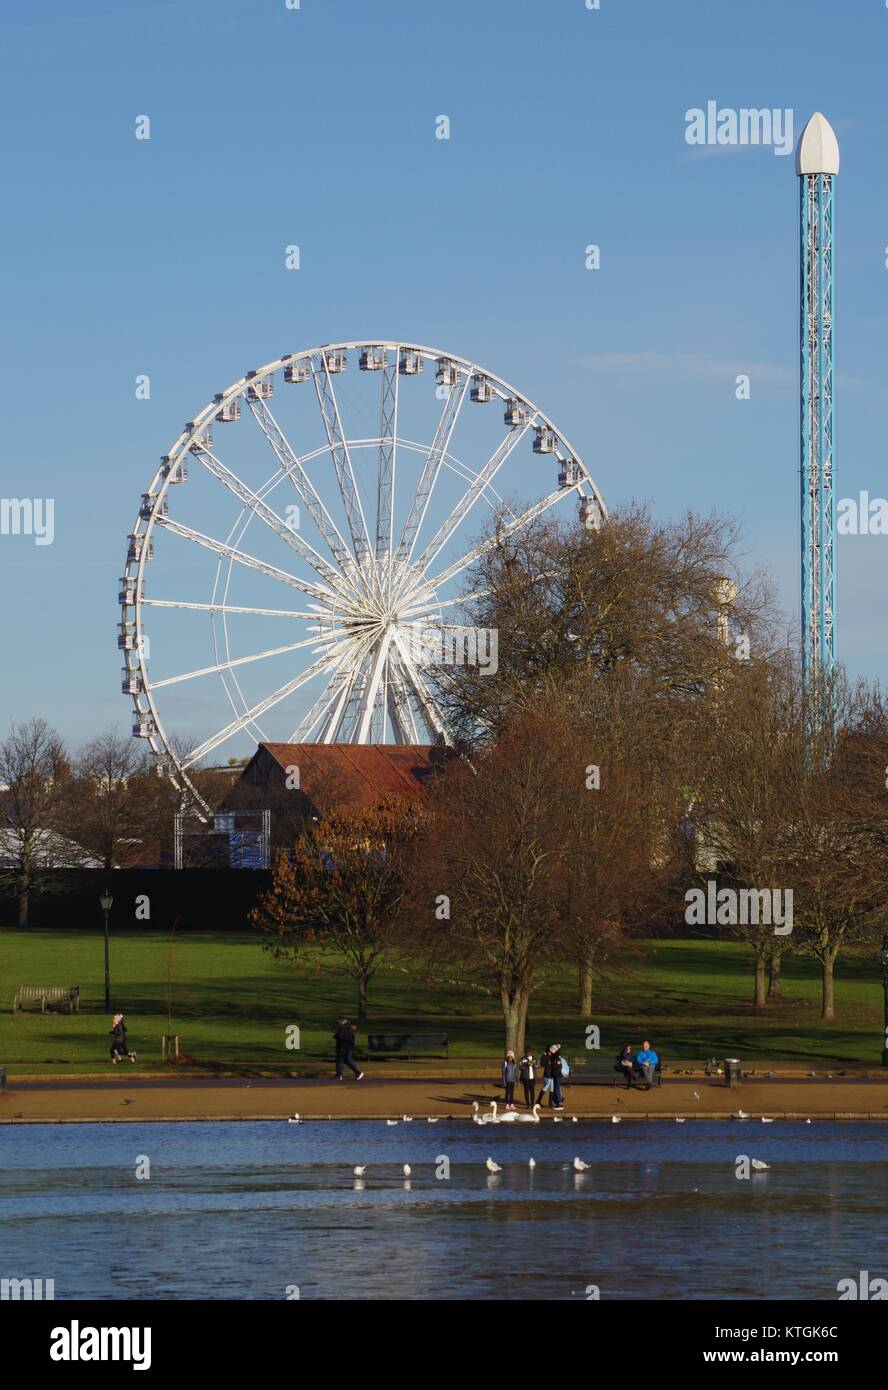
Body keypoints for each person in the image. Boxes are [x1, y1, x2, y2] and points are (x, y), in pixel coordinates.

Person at [333, 1016, 364, 1081]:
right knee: (343, 1060)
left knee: (344, 1060)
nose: (338, 1022)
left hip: (345, 1047)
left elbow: (343, 1037)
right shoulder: (347, 1027)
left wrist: (335, 1036)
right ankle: (340, 1075)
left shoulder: (345, 1028)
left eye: (339, 1021)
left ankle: (357, 1072)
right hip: (345, 1047)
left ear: (343, 1021)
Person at [549, 1043, 565, 1110]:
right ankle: (558, 1102)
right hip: (556, 1075)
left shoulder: (557, 1059)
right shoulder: (555, 1058)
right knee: (556, 1088)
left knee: (557, 1088)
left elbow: (558, 1067)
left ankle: (560, 1103)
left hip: (557, 1075)